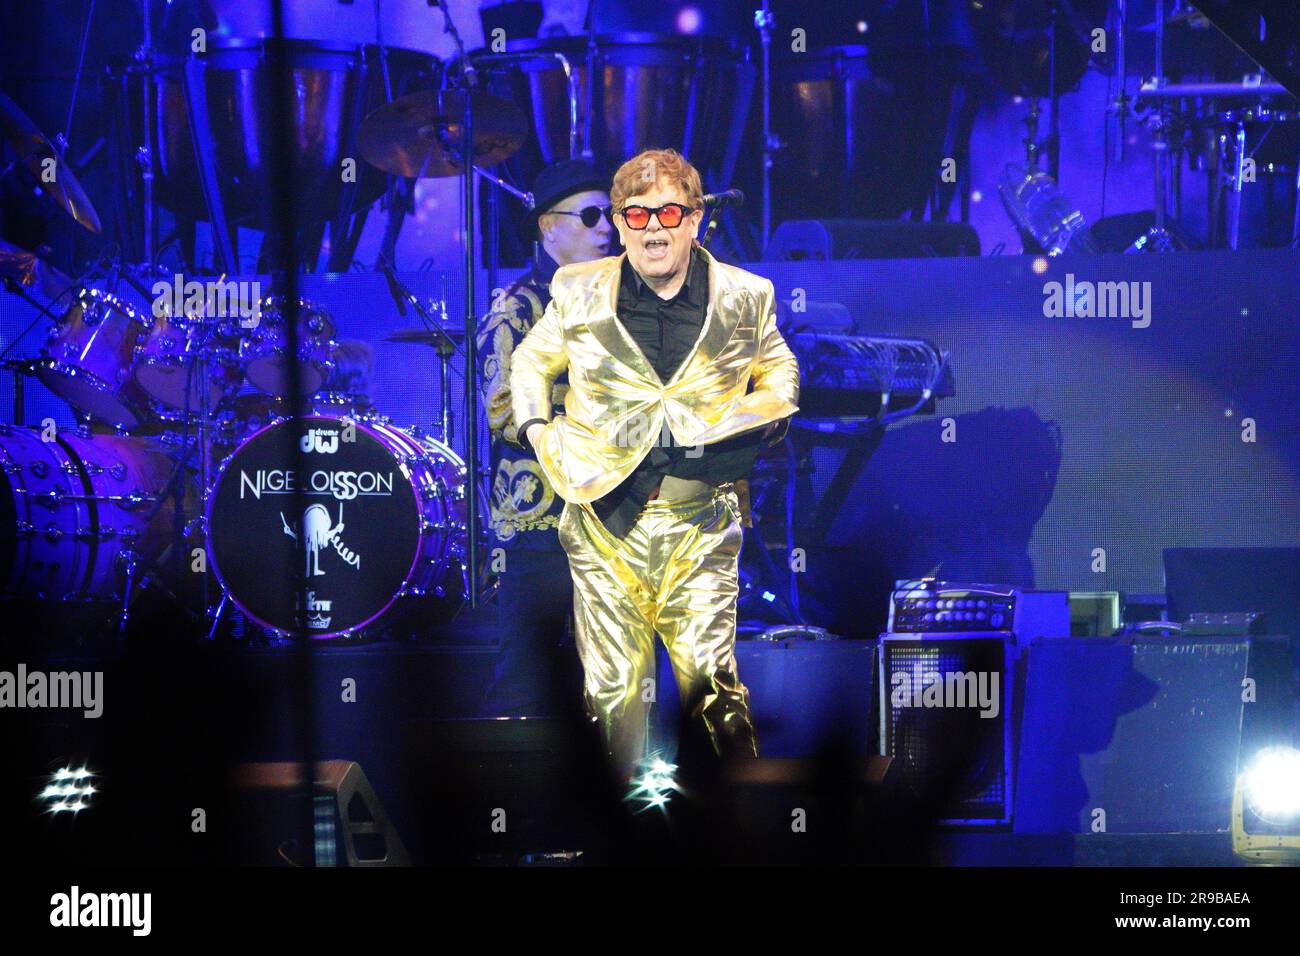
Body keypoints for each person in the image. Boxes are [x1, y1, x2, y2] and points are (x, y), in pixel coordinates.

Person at [511, 148, 800, 779]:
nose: (653, 229)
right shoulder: (578, 288)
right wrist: (537, 428)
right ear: (619, 223)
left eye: (668, 212)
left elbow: (778, 366)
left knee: (713, 691)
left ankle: (739, 836)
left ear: (695, 218)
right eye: (635, 216)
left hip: (698, 522)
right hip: (603, 522)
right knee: (610, 699)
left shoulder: (747, 296)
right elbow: (532, 362)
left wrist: (766, 412)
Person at [475, 159, 613, 717]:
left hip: (610, 518)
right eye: (590, 215)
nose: (607, 227)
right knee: (525, 679)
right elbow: (502, 407)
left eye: (612, 215)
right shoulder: (520, 305)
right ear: (547, 227)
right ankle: (504, 792)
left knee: (607, 675)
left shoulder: (618, 303)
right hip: (539, 524)